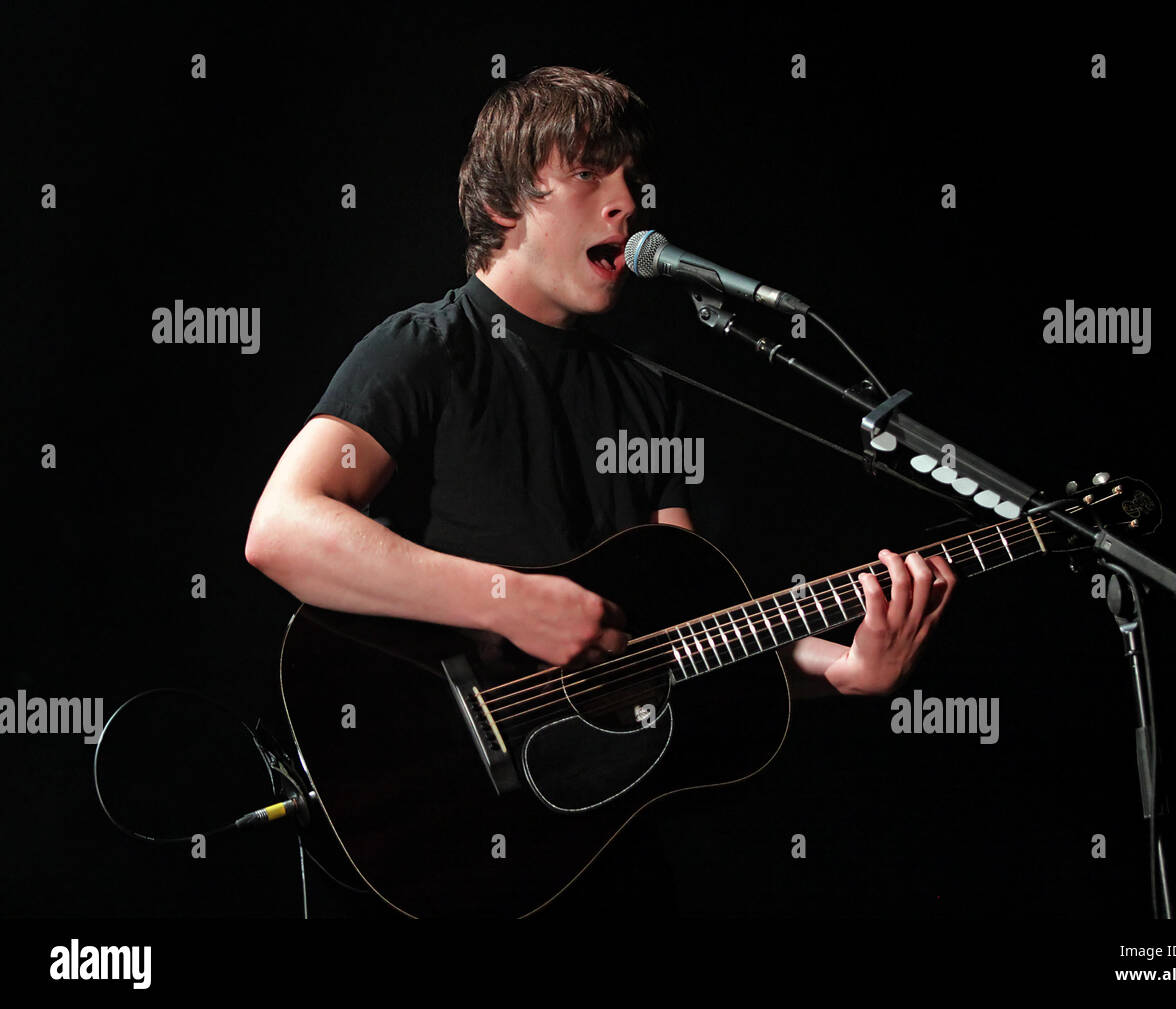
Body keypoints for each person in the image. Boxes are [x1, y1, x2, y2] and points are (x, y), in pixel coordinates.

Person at [244, 65, 956, 704]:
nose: (627, 202)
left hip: (610, 813)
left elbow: (685, 632)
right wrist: (505, 600)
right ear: (504, 205)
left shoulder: (647, 395)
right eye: (590, 173)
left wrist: (842, 668)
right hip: (451, 775)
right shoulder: (424, 347)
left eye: (630, 180)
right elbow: (282, 531)